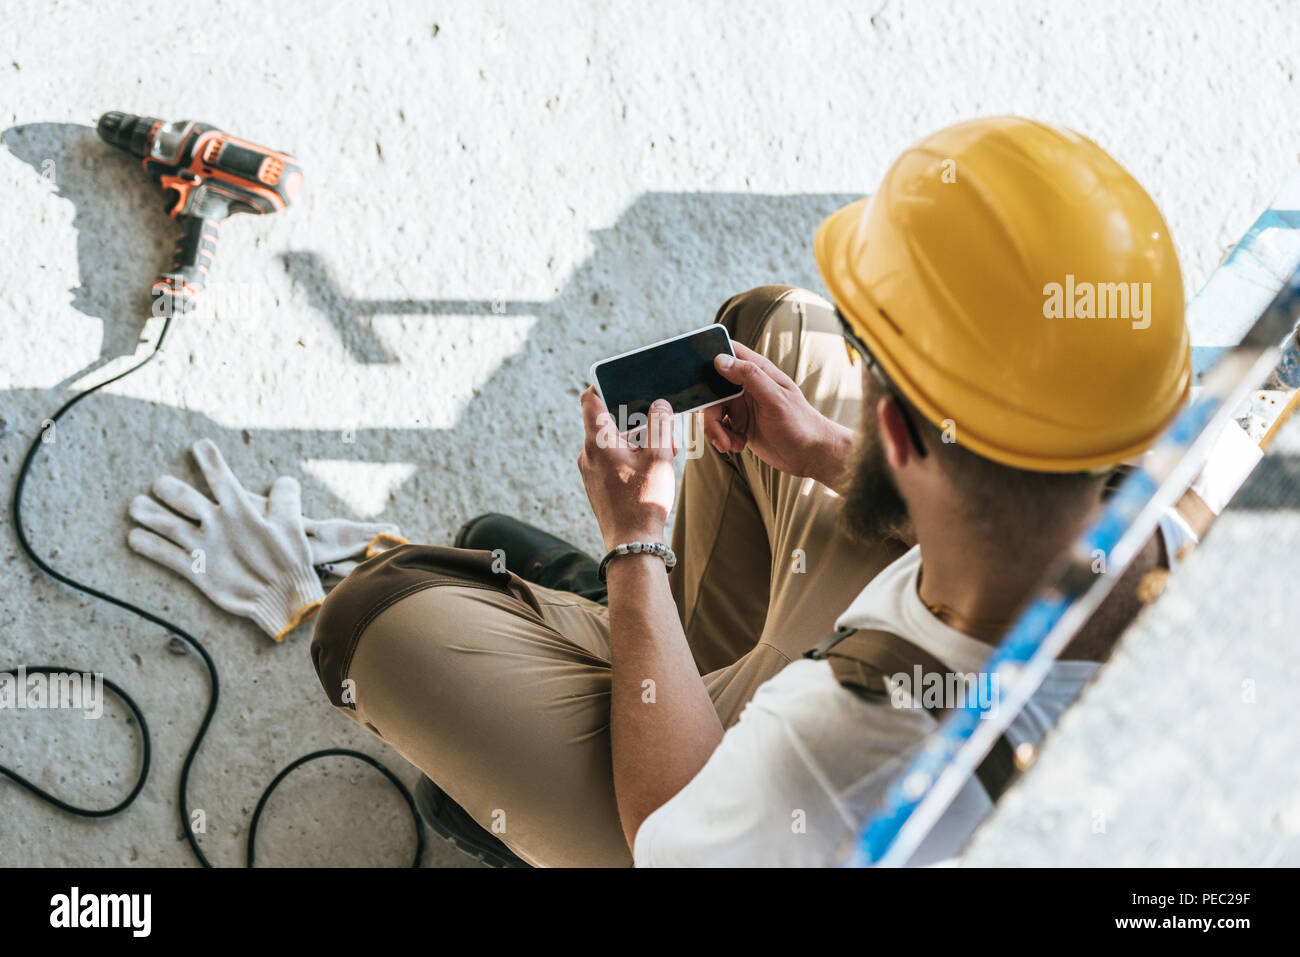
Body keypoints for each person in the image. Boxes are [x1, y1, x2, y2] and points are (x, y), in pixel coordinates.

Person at [307, 116, 1230, 866]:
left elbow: (669, 828)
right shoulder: (1213, 500)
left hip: (712, 805)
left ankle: (607, 662)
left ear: (902, 434)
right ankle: (672, 648)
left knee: (372, 619)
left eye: (871, 371)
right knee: (763, 330)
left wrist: (635, 547)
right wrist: (835, 452)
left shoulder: (841, 750)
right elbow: (1012, 514)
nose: (858, 374)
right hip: (940, 621)